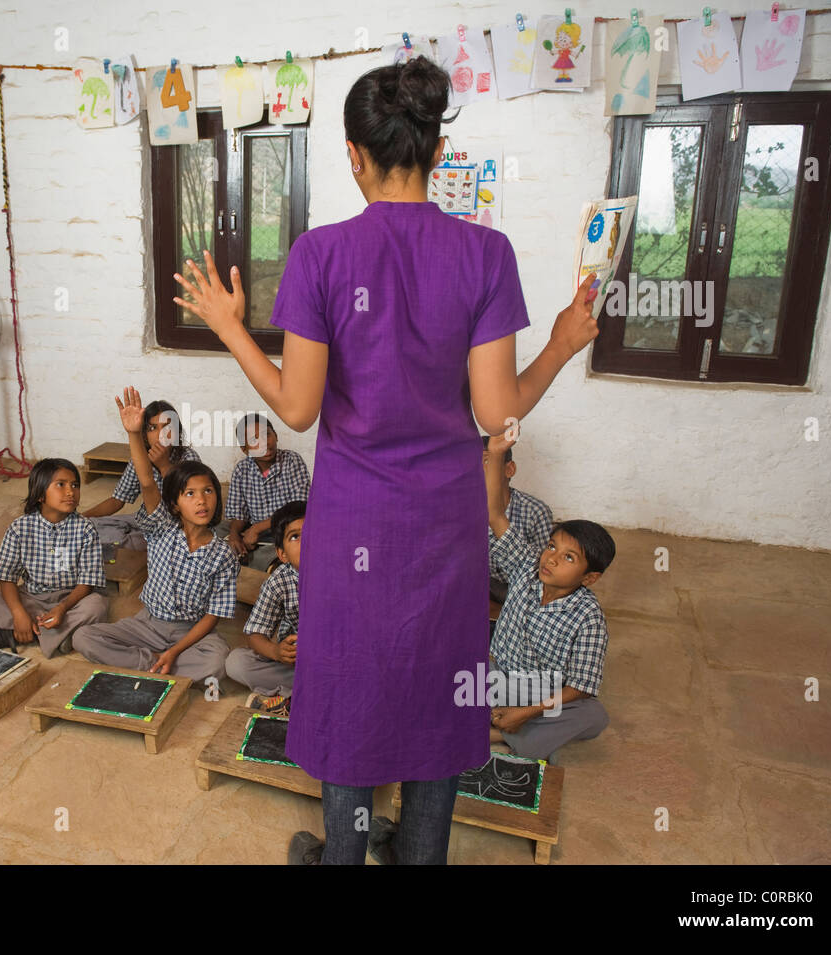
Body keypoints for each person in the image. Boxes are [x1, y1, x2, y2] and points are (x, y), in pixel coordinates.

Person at [173, 55, 600, 865]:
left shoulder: (320, 254)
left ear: (352, 153)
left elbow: (297, 408)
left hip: (353, 526)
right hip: (446, 525)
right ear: (437, 153)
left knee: (353, 683)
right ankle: (421, 853)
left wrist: (233, 328)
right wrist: (561, 345)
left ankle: (344, 852)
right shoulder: (485, 253)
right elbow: (495, 412)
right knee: (440, 686)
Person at [74, 387, 237, 683]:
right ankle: (152, 664)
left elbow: (213, 616)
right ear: (175, 502)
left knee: (218, 662)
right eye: (190, 494)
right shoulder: (163, 524)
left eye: (208, 492)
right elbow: (145, 486)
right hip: (149, 622)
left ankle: (158, 662)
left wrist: (176, 650)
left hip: (190, 630)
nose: (201, 500)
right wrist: (133, 433)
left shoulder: (223, 554)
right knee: (84, 637)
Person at [485, 432, 612, 761]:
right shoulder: (525, 567)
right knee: (445, 677)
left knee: (593, 717)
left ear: (590, 577)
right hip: (495, 675)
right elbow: (496, 515)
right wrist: (495, 454)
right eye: (552, 547)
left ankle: (499, 732)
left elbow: (581, 685)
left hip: (540, 690)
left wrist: (526, 711)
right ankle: (516, 734)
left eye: (569, 558)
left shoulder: (588, 617)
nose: (551, 558)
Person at [0, 458, 108, 657]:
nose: (70, 491)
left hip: (70, 601)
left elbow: (87, 583)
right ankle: (54, 635)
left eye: (75, 485)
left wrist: (62, 608)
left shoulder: (85, 529)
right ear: (40, 494)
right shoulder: (19, 528)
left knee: (97, 606)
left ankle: (18, 635)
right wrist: (19, 614)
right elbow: (6, 577)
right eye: (61, 485)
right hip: (31, 597)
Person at [83, 399, 200, 551]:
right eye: (152, 428)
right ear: (144, 435)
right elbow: (118, 500)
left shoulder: (189, 457)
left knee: (115, 542)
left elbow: (190, 502)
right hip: (143, 522)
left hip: (175, 528)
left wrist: (164, 466)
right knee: (93, 527)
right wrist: (82, 517)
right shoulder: (140, 459)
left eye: (167, 427)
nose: (161, 434)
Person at [226, 500, 305, 714]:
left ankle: (290, 700)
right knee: (237, 663)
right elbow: (255, 634)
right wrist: (278, 653)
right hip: (297, 664)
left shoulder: (343, 574)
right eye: (295, 536)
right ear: (282, 555)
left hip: (335, 661)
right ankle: (305, 693)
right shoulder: (279, 581)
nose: (308, 541)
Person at [225, 414, 311, 570]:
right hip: (255, 533)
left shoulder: (292, 461)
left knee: (289, 542)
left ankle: (269, 560)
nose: (264, 443)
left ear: (276, 436)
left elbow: (300, 509)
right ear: (245, 449)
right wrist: (235, 535)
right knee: (219, 530)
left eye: (267, 435)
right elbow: (238, 514)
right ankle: (242, 551)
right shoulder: (241, 470)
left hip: (286, 529)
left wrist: (257, 528)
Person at [482, 434, 553, 607]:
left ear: (509, 469)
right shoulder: (460, 509)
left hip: (520, 594)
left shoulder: (535, 511)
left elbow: (540, 572)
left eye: (485, 461)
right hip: (475, 591)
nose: (477, 470)